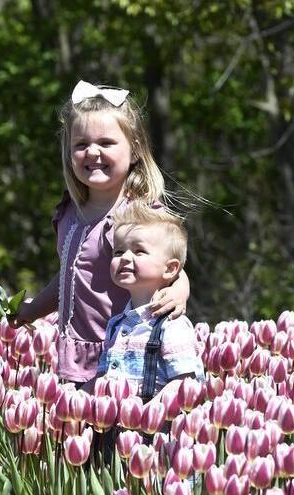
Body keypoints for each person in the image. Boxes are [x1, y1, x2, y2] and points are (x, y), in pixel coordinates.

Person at [12, 81, 190, 388]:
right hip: (73, 355)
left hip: (122, 355)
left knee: (110, 433)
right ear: (69, 153)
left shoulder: (138, 215)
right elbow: (69, 276)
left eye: (106, 143)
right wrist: (31, 310)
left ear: (134, 151)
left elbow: (173, 267)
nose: (92, 152)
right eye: (81, 145)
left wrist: (179, 291)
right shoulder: (69, 212)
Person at [94, 201, 204, 399]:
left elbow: (185, 383)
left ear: (170, 268)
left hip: (156, 426)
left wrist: (149, 415)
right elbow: (103, 378)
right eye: (118, 251)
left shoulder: (171, 326)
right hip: (116, 427)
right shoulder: (115, 325)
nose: (125, 257)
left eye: (139, 251)